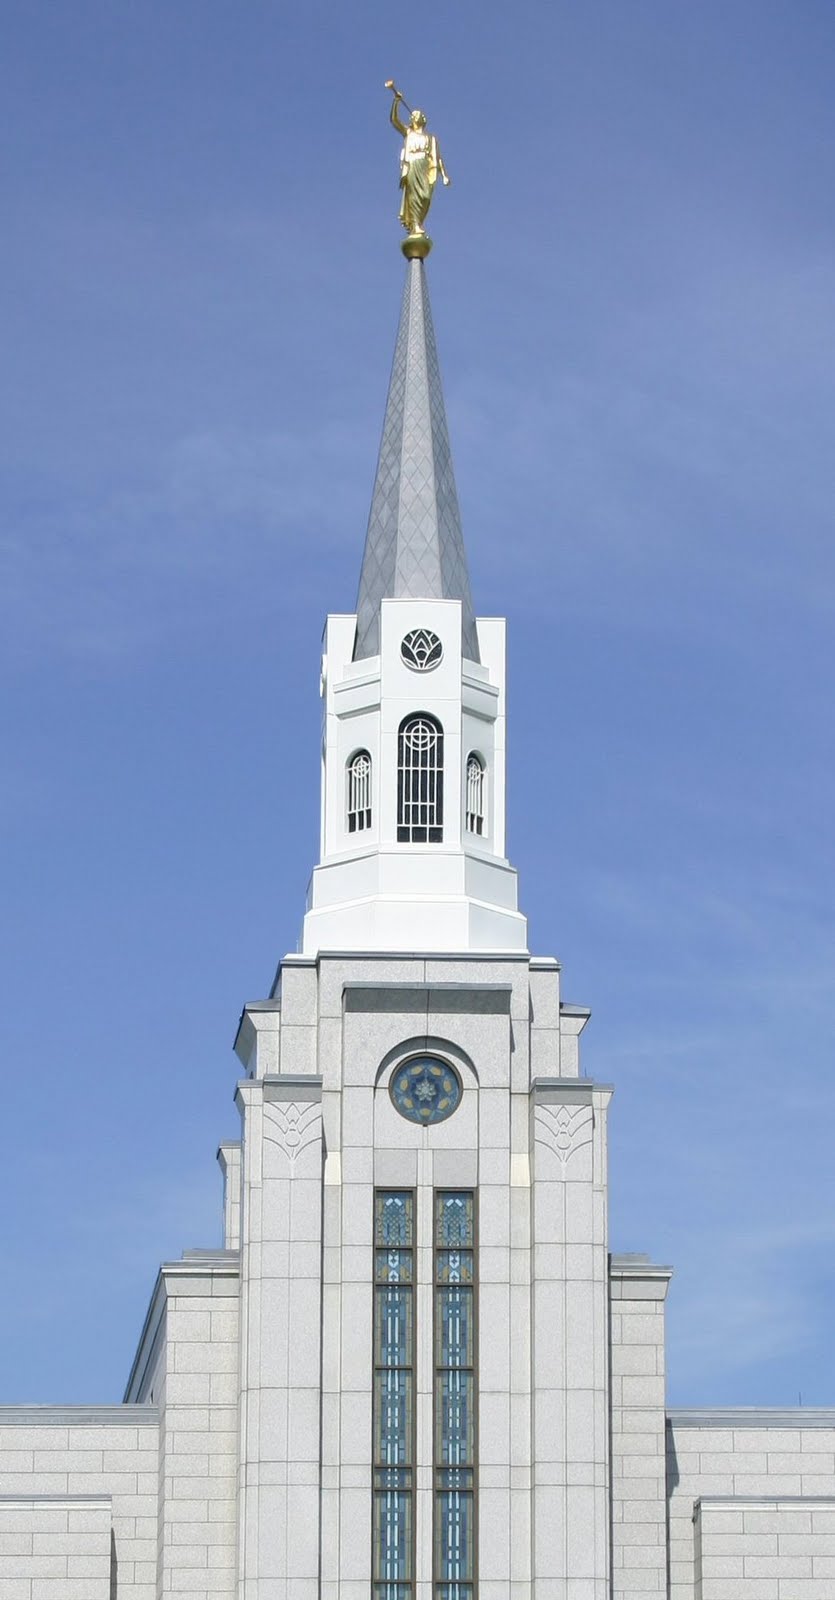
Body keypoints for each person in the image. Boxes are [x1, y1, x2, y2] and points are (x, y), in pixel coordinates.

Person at [389, 91, 450, 236]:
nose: (414, 116)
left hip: (425, 167)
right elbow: (394, 120)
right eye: (413, 115)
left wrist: (444, 175)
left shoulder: (430, 138)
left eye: (417, 115)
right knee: (413, 196)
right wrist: (396, 102)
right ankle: (415, 225)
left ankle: (418, 222)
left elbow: (437, 158)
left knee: (426, 196)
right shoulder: (408, 132)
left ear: (422, 119)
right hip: (412, 165)